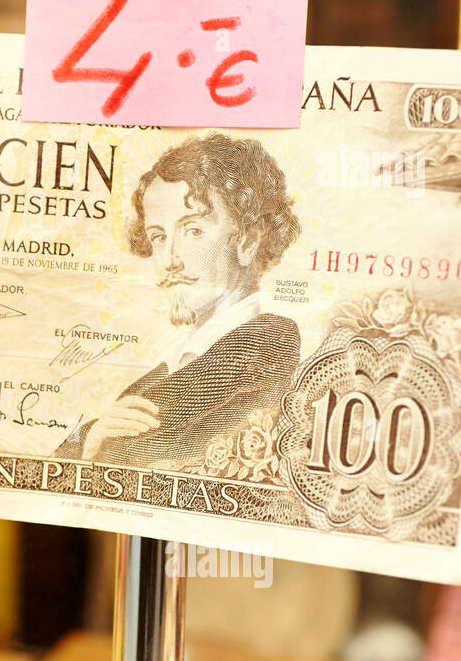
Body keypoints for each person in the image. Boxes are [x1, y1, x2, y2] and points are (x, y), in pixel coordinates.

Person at [57, 133, 302, 467]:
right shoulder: (161, 373)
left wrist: (97, 442)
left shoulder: (265, 344)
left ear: (248, 240)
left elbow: (161, 453)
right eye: (159, 236)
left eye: (193, 231)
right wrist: (88, 440)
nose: (169, 260)